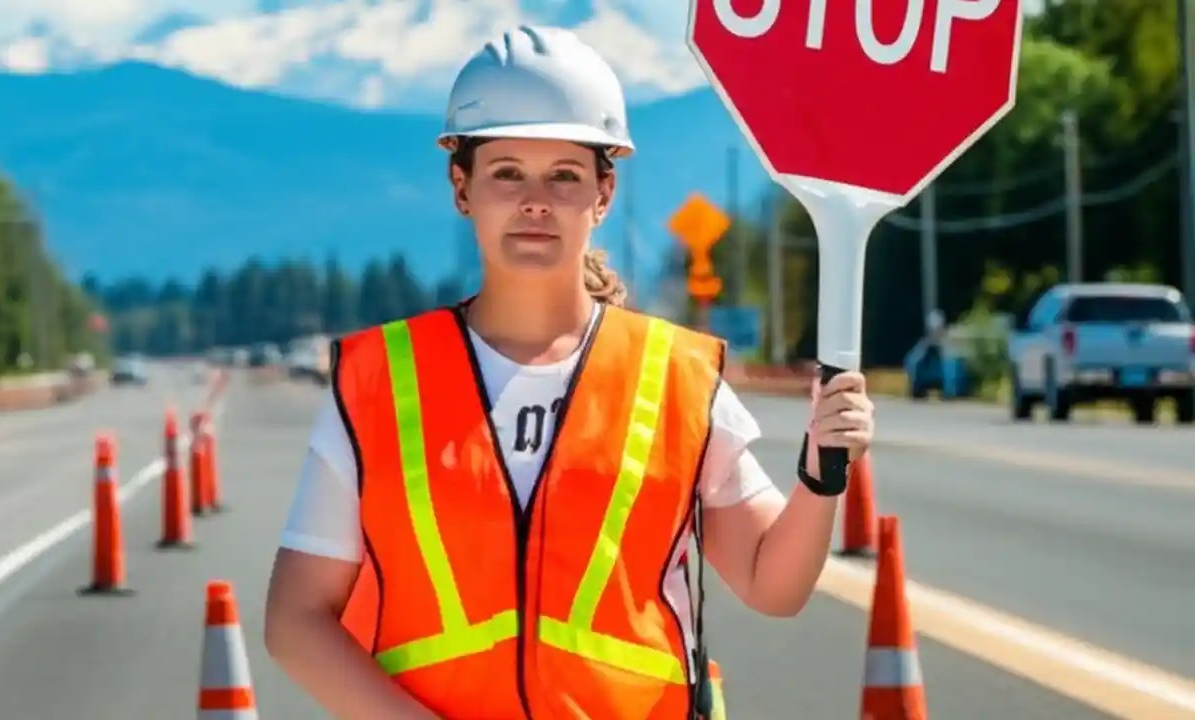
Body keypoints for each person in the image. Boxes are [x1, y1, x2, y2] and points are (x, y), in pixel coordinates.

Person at [264, 25, 875, 720]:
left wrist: (821, 476)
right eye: (506, 172)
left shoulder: (676, 376)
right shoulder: (376, 383)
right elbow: (296, 620)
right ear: (460, 186)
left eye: (563, 176)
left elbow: (773, 585)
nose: (535, 200)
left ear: (603, 192)